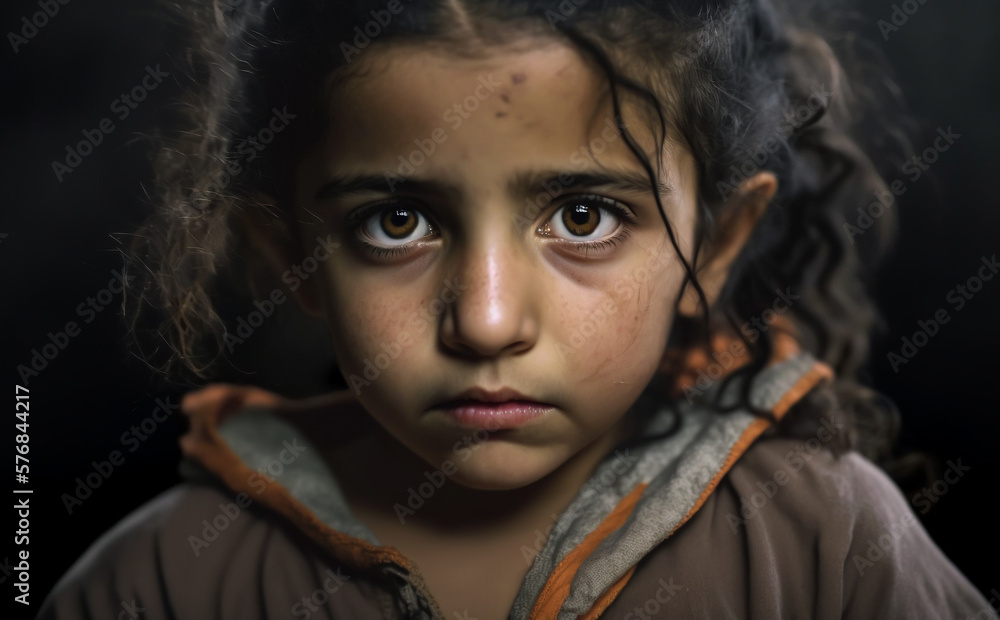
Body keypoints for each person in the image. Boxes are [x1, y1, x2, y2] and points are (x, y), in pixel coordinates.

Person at [37, 0, 998, 618]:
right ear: (292, 258)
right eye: (398, 221)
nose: (488, 323)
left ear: (714, 244)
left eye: (585, 216)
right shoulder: (165, 581)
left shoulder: (824, 543)